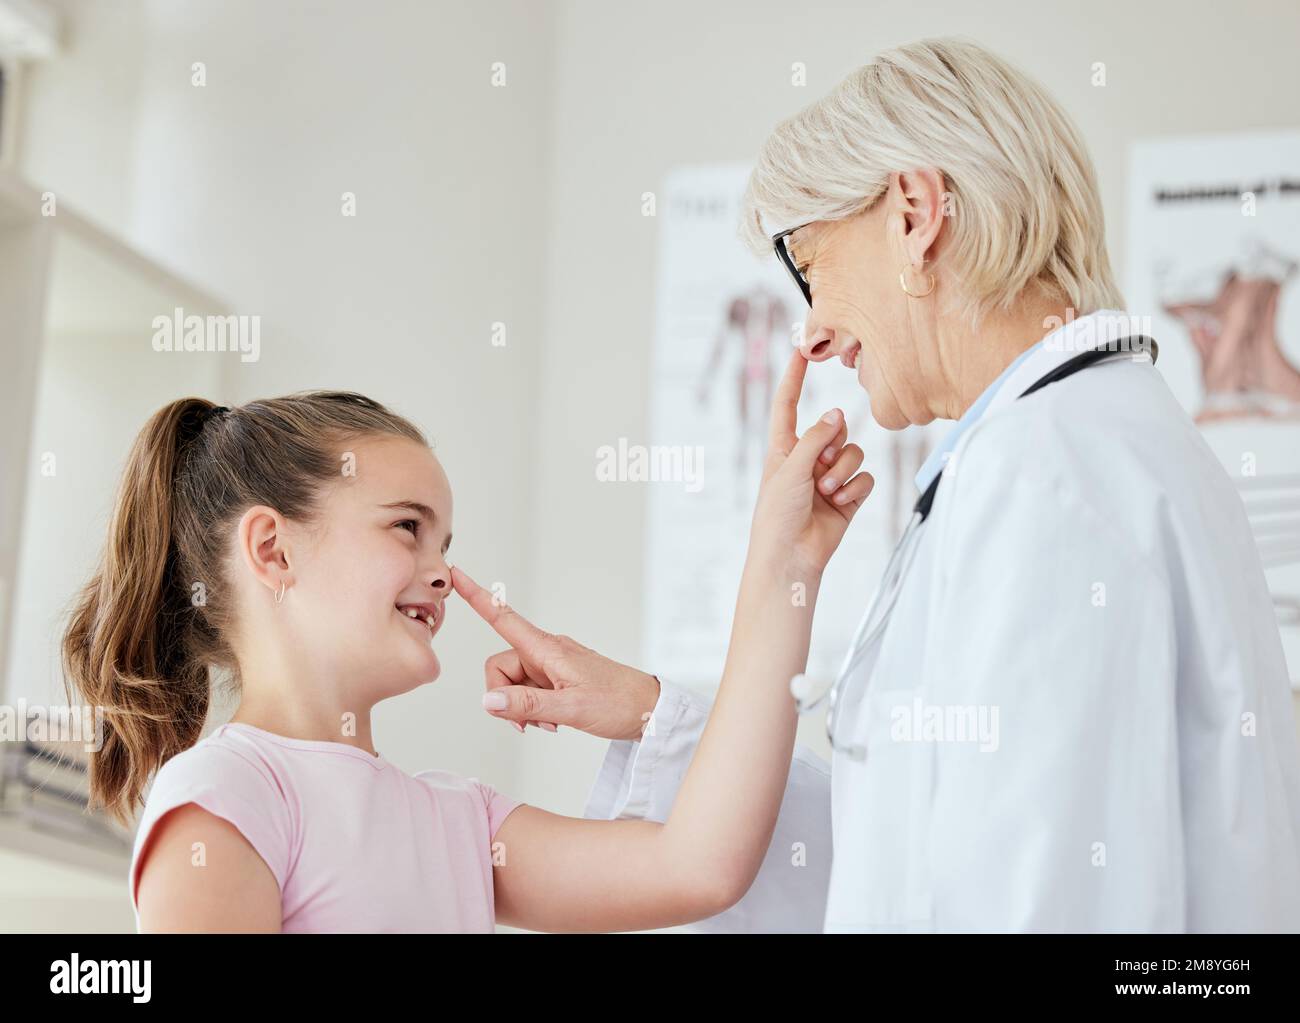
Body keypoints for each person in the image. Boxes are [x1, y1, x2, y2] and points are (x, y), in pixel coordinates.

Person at [463, 37, 1300, 932]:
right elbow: (908, 852)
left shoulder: (1045, 473)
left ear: (913, 213)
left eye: (808, 268)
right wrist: (653, 715)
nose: (812, 335)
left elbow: (1040, 898)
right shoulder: (1087, 447)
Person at [63, 389, 862, 932]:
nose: (443, 571)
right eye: (407, 527)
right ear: (273, 548)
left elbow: (701, 864)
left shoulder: (463, 820)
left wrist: (784, 563)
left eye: (446, 543)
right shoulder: (228, 793)